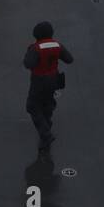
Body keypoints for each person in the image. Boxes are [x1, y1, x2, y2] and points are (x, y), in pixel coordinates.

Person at [24, 21, 73, 153]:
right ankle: (47, 122)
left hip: (39, 80)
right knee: (48, 102)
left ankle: (45, 134)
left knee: (32, 106)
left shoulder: (35, 48)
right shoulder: (58, 45)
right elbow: (69, 59)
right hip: (54, 79)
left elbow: (28, 64)